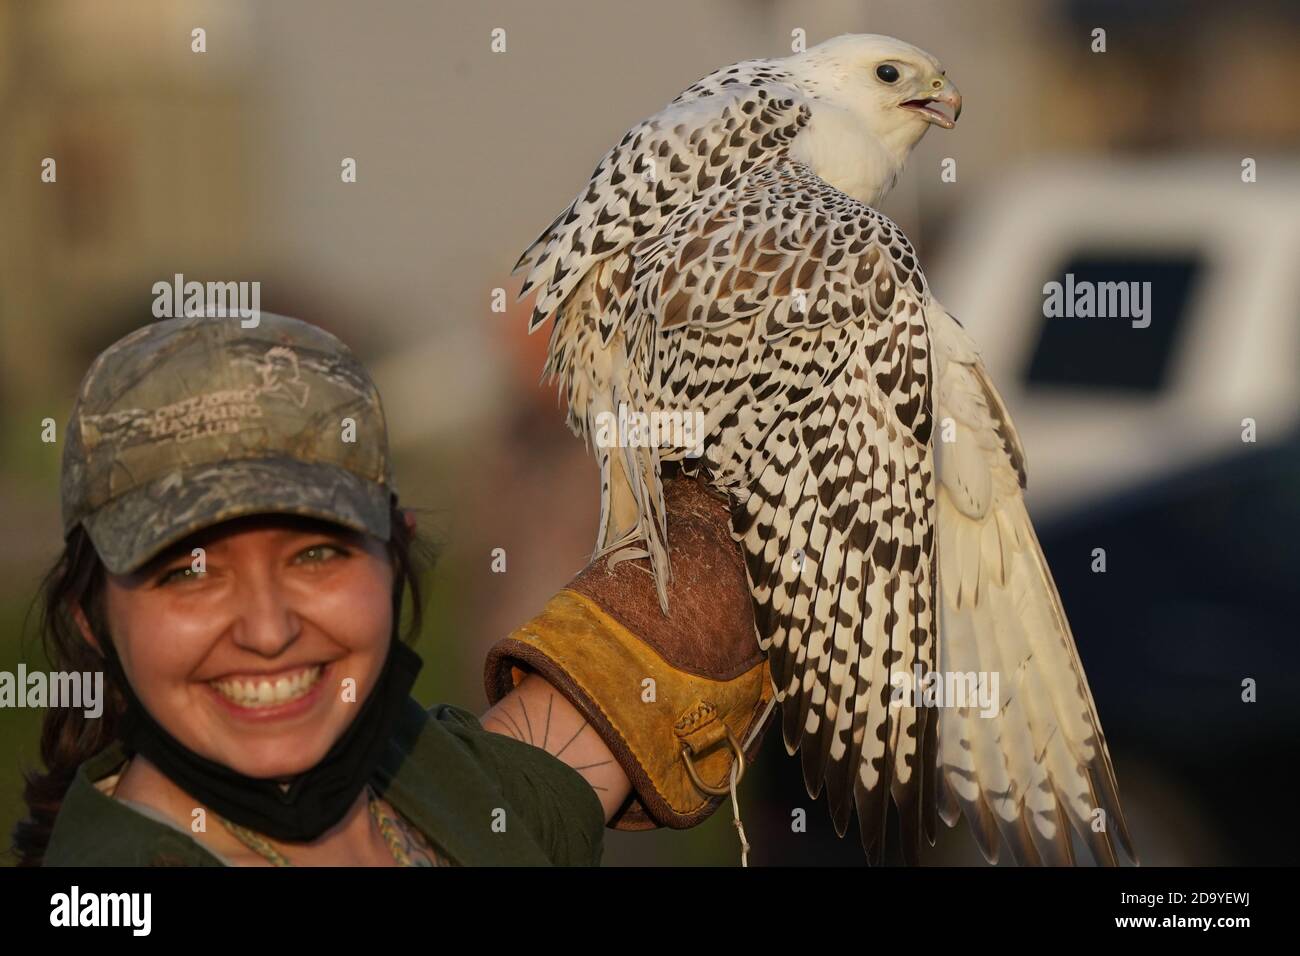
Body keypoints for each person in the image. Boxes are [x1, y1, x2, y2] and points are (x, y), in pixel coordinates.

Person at [11, 311, 774, 867]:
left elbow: (622, 685)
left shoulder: (433, 785)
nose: (268, 629)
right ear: (92, 619)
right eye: (188, 573)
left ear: (394, 555)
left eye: (316, 554)